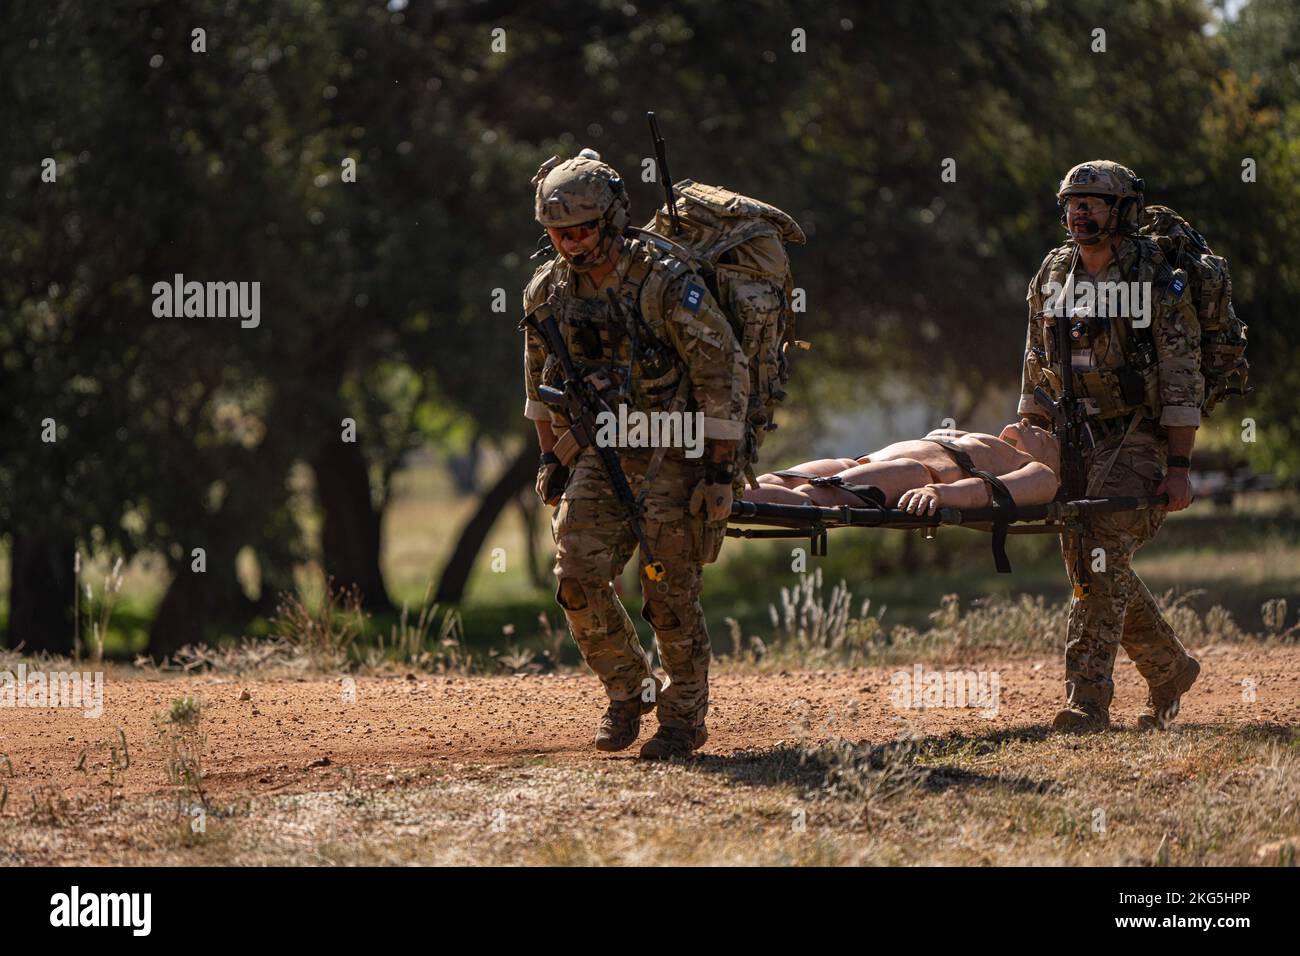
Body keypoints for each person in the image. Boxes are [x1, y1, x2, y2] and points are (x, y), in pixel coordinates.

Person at [521, 150, 749, 759]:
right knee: (577, 575)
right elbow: (539, 387)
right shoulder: (547, 291)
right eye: (557, 233)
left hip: (677, 448)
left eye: (581, 230)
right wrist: (551, 460)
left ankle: (681, 720)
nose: (570, 244)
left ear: (612, 219)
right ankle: (629, 692)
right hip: (604, 448)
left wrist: (721, 472)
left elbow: (722, 374)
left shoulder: (664, 280)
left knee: (667, 590)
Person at [1019, 160, 1201, 732]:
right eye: (1073, 202)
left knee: (1099, 556)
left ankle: (1086, 703)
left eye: (1093, 202)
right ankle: (1169, 668)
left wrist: (1178, 466)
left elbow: (1181, 374)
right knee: (1089, 561)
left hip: (1139, 437)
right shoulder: (1054, 272)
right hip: (1075, 439)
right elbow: (1035, 360)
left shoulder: (1155, 279)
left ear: (1122, 212)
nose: (1079, 212)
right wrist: (1030, 429)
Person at [746, 421, 1060, 515]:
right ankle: (716, 491)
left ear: (1051, 458)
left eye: (1043, 435)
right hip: (861, 460)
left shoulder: (1041, 474)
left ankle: (715, 504)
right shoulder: (981, 437)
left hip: (916, 473)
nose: (1028, 423)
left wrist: (938, 492)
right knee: (769, 480)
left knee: (815, 498)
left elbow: (988, 491)